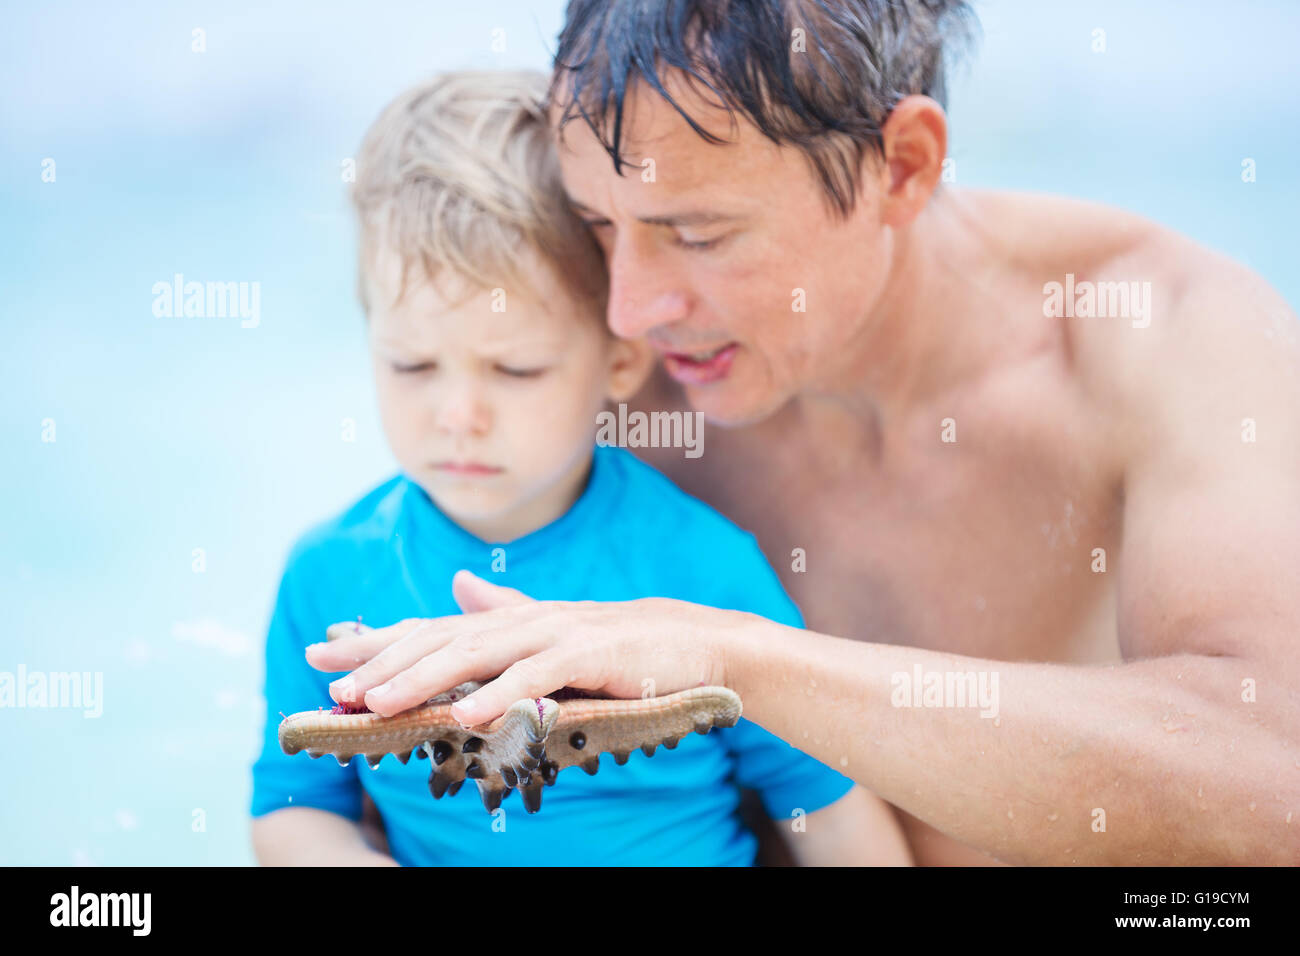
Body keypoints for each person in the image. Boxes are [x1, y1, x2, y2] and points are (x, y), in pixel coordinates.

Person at [307, 2, 1300, 865]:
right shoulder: (611, 364)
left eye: (698, 235)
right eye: (596, 224)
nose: (626, 310)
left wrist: (733, 658)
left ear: (902, 167)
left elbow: (1272, 782)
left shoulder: (1168, 337)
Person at [250, 69, 911, 866]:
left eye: (516, 370)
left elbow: (826, 806)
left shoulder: (702, 569)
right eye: (412, 365)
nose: (457, 412)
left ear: (621, 361)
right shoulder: (329, 576)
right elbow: (293, 812)